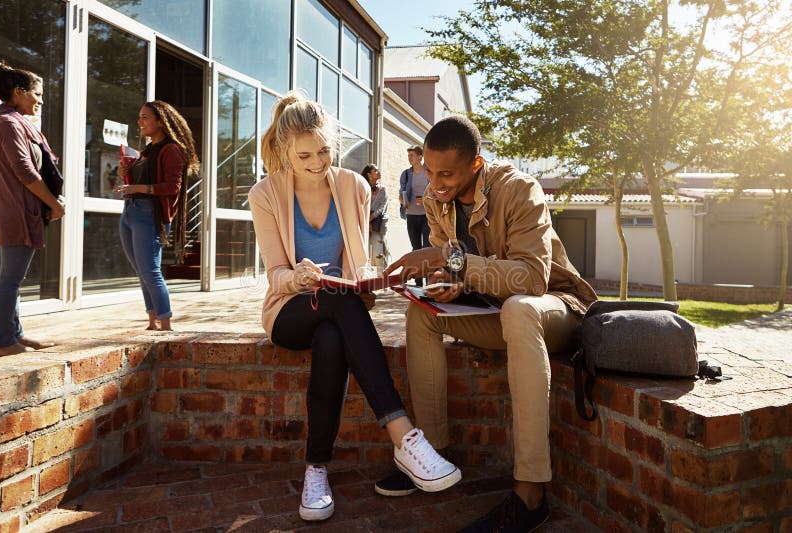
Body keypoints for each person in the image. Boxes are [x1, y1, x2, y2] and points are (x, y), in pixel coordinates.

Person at [377, 116, 598, 532]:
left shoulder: (519, 189)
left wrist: (448, 261)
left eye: (447, 173)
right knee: (420, 314)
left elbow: (531, 278)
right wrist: (448, 285)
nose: (434, 182)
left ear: (476, 166)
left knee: (519, 308)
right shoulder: (436, 200)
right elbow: (462, 272)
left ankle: (531, 493)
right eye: (428, 170)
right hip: (498, 313)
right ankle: (432, 455)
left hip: (556, 310)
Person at [248, 91, 460, 523]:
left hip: (338, 308)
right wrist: (299, 277)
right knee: (333, 304)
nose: (316, 162)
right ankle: (405, 437)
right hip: (290, 310)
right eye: (304, 154)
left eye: (324, 150)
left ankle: (316, 470)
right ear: (286, 151)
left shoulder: (354, 186)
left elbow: (358, 258)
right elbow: (274, 274)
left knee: (332, 337)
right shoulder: (265, 194)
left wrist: (367, 276)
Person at [0, 62, 65, 358]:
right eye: (37, 94)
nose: (41, 100)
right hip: (15, 212)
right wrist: (53, 202)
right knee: (9, 279)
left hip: (23, 210)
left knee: (14, 277)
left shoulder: (16, 122)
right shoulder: (8, 124)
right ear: (18, 93)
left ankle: (15, 334)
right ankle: (4, 341)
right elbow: (24, 171)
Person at [114, 100, 198, 331]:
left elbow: (172, 187)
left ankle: (166, 323)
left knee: (151, 271)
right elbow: (141, 182)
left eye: (145, 118)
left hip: (149, 215)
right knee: (142, 272)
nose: (139, 122)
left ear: (160, 121)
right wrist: (125, 174)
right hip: (131, 211)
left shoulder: (171, 149)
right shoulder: (148, 150)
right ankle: (152, 322)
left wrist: (138, 189)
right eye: (139, 117)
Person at [398, 145, 429, 285]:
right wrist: (402, 199)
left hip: (427, 215)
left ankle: (430, 281)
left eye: (412, 155)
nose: (409, 158)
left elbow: (435, 191)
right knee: (415, 248)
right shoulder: (405, 174)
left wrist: (425, 200)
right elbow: (401, 191)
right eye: (408, 156)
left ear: (420, 157)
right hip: (411, 214)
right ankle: (418, 282)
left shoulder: (428, 172)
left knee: (427, 247)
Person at [360, 164, 389, 269]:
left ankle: (382, 278)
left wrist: (371, 219)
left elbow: (382, 207)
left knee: (378, 252)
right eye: (375, 170)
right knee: (364, 253)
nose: (379, 171)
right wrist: (367, 222)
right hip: (364, 224)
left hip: (378, 225)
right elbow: (360, 205)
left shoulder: (383, 190)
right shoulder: (362, 188)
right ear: (369, 174)